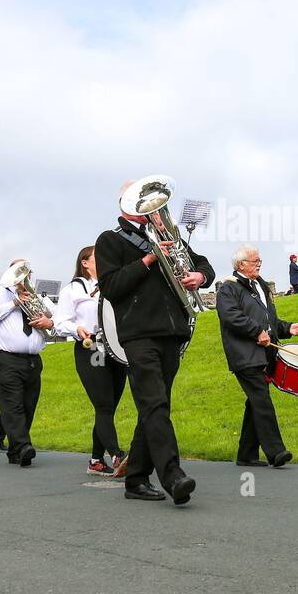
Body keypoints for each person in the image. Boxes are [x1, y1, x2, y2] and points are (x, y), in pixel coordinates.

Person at [95, 179, 214, 505]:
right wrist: (149, 260)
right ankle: (173, 476)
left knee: (154, 406)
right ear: (125, 204)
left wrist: (198, 277)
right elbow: (111, 286)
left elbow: (205, 265)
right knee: (156, 405)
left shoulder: (166, 236)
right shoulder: (110, 240)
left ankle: (135, 480)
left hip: (172, 332)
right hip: (138, 334)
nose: (151, 208)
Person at [217, 245, 298, 468]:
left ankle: (246, 455)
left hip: (265, 354)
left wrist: (287, 328)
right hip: (244, 355)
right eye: (254, 261)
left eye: (259, 261)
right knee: (262, 400)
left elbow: (268, 320)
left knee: (255, 402)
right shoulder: (228, 288)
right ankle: (276, 451)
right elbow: (230, 316)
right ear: (241, 265)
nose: (259, 264)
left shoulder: (260, 286)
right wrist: (256, 331)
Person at [53, 246, 128, 476]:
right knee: (103, 404)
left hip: (116, 348)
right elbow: (59, 322)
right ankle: (117, 456)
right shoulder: (73, 290)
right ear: (85, 262)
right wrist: (77, 328)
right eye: (98, 256)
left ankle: (96, 461)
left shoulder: (111, 283)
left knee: (109, 407)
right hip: (92, 348)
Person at [0, 259, 54, 467]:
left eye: (27, 272)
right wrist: (14, 303)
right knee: (13, 404)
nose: (25, 277)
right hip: (7, 358)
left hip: (32, 359)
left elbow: (55, 315)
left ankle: (15, 450)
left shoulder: (37, 295)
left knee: (28, 405)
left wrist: (48, 320)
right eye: (20, 272)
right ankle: (23, 445)